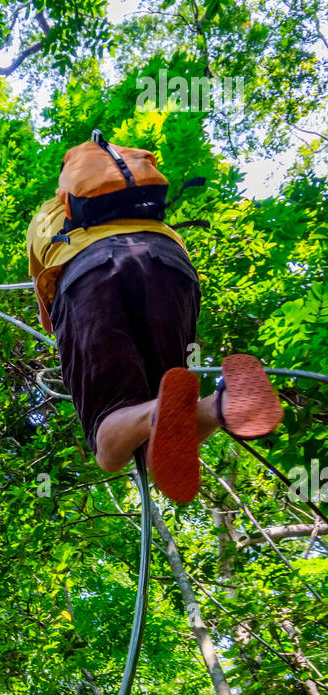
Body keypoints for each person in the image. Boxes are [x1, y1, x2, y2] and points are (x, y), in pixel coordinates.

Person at [27, 137, 283, 503]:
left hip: (89, 273)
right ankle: (222, 404)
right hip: (170, 266)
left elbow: (48, 318)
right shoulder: (145, 209)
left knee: (107, 445)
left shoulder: (48, 214)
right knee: (159, 435)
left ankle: (160, 408)